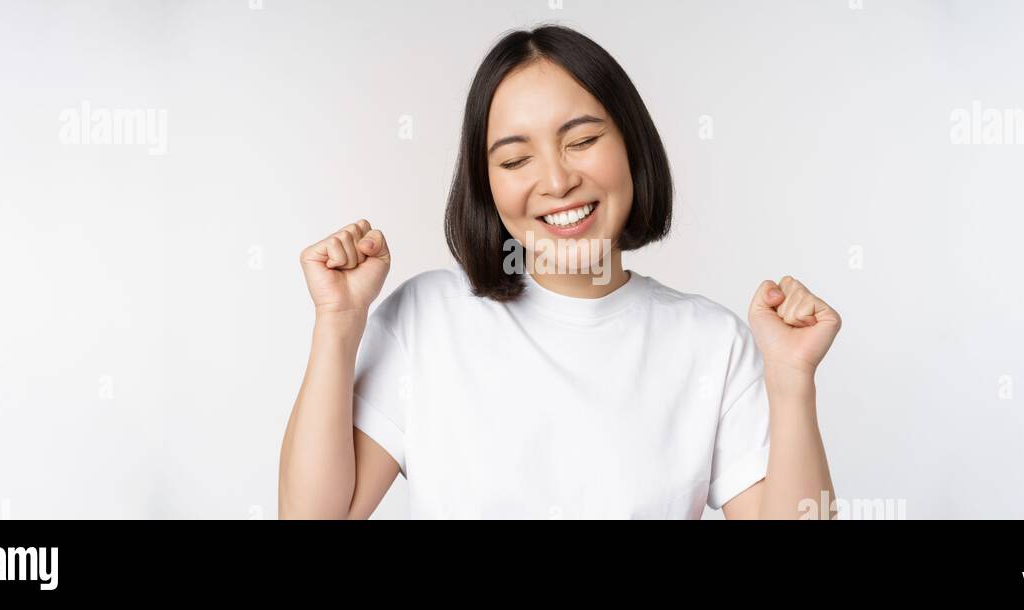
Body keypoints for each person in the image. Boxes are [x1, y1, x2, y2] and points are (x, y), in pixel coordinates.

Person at [279, 25, 840, 519]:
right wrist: (339, 321)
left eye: (583, 140)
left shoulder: (710, 343)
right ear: (488, 184)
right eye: (516, 159)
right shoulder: (426, 318)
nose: (556, 180)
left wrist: (791, 380)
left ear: (631, 147)